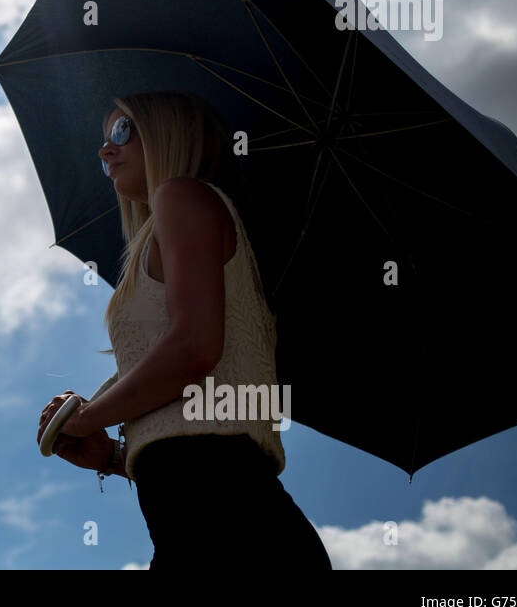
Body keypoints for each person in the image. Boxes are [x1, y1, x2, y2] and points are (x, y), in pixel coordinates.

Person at [36, 90, 331, 570]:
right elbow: (195, 416)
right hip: (216, 525)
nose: (105, 150)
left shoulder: (180, 194)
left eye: (123, 131)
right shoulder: (172, 222)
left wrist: (90, 418)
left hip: (225, 527)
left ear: (168, 132)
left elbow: (194, 349)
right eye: (104, 138)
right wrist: (113, 456)